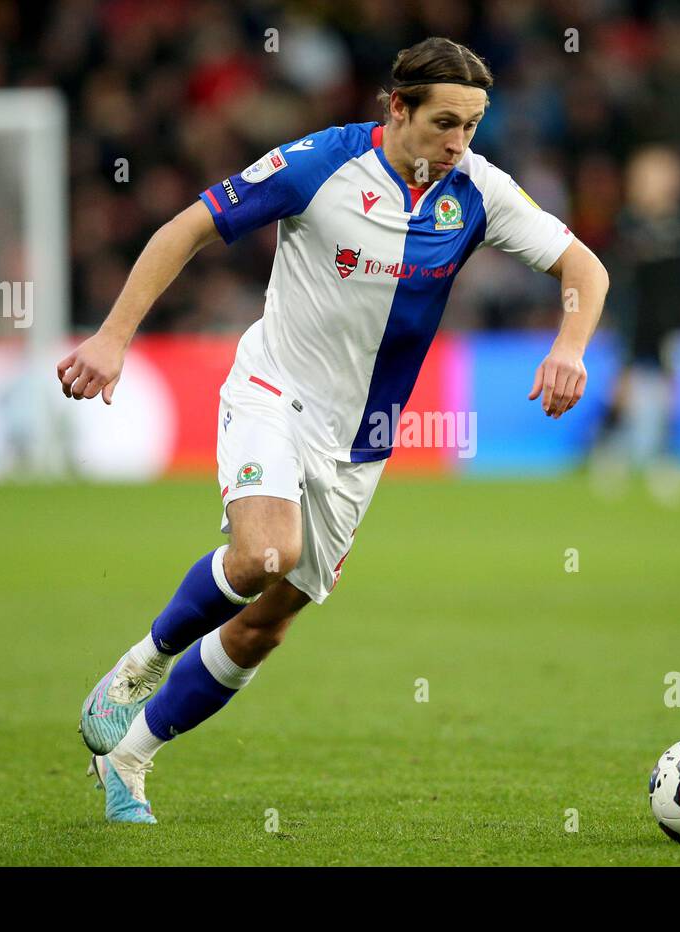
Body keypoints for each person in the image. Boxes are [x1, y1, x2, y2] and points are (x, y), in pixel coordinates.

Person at [55, 37, 610, 823]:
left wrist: (570, 345)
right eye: (445, 122)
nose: (459, 143)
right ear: (397, 108)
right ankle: (139, 666)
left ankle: (130, 759)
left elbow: (585, 269)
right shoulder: (321, 165)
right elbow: (186, 228)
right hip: (273, 393)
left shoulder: (477, 191)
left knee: (264, 627)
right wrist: (112, 338)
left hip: (362, 444)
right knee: (261, 553)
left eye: (473, 126)